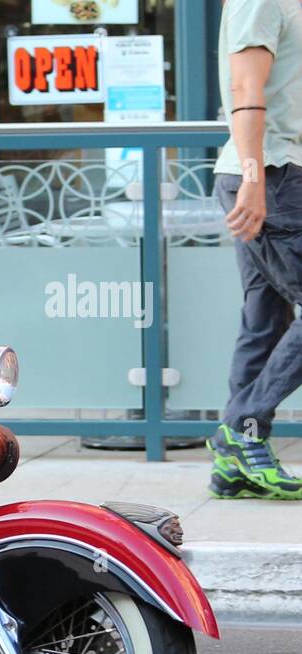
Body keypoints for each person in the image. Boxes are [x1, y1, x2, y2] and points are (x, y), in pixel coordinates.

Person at [208, 0, 302, 499]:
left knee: (265, 319)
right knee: (268, 317)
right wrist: (254, 178)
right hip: (271, 176)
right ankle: (243, 425)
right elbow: (246, 88)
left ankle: (237, 460)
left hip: (279, 174)